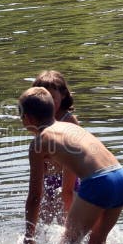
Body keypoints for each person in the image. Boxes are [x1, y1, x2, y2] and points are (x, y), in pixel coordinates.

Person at [18, 87, 123, 244]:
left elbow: (34, 196)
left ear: (28, 118)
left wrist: (29, 237)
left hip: (98, 182)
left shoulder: (39, 143)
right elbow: (69, 185)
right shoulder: (70, 128)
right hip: (121, 178)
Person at [32, 70, 80, 223]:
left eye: (52, 97)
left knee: (64, 219)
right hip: (49, 177)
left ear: (63, 95)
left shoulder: (69, 120)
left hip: (68, 179)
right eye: (43, 98)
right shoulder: (40, 121)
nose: (48, 102)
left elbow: (76, 154)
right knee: (43, 219)